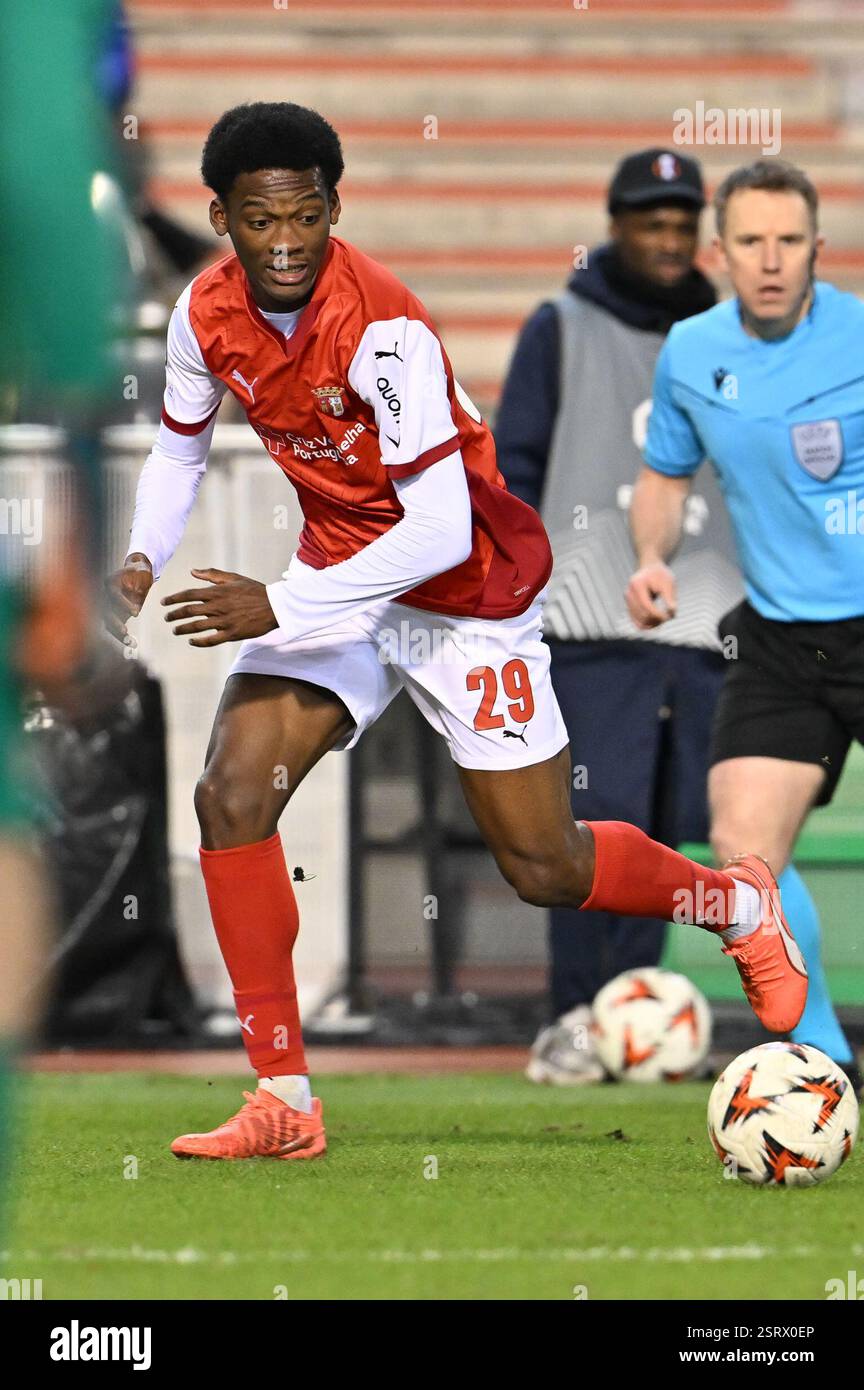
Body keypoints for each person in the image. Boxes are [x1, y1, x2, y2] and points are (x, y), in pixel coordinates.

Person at [108, 104, 807, 1162]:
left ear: (336, 210)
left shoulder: (383, 329)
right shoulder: (203, 314)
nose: (286, 240)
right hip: (343, 578)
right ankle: (284, 1094)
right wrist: (141, 554)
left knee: (546, 864)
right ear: (223, 220)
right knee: (232, 791)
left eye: (306, 216)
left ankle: (732, 902)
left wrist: (284, 605)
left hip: (467, 594)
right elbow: (178, 450)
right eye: (260, 220)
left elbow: (435, 530)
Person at [495, 148, 748, 1083]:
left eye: (685, 225)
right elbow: (515, 464)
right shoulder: (561, 325)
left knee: (669, 829)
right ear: (616, 225)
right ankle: (569, 1018)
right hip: (588, 616)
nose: (671, 241)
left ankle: (630, 1014)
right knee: (589, 823)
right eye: (653, 222)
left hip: (707, 616)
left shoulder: (731, 333)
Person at [627, 158, 862, 1089]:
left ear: (817, 248)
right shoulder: (690, 352)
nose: (772, 261)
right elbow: (664, 477)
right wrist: (652, 558)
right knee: (743, 856)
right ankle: (819, 1061)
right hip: (781, 639)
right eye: (753, 242)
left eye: (790, 242)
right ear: (719, 251)